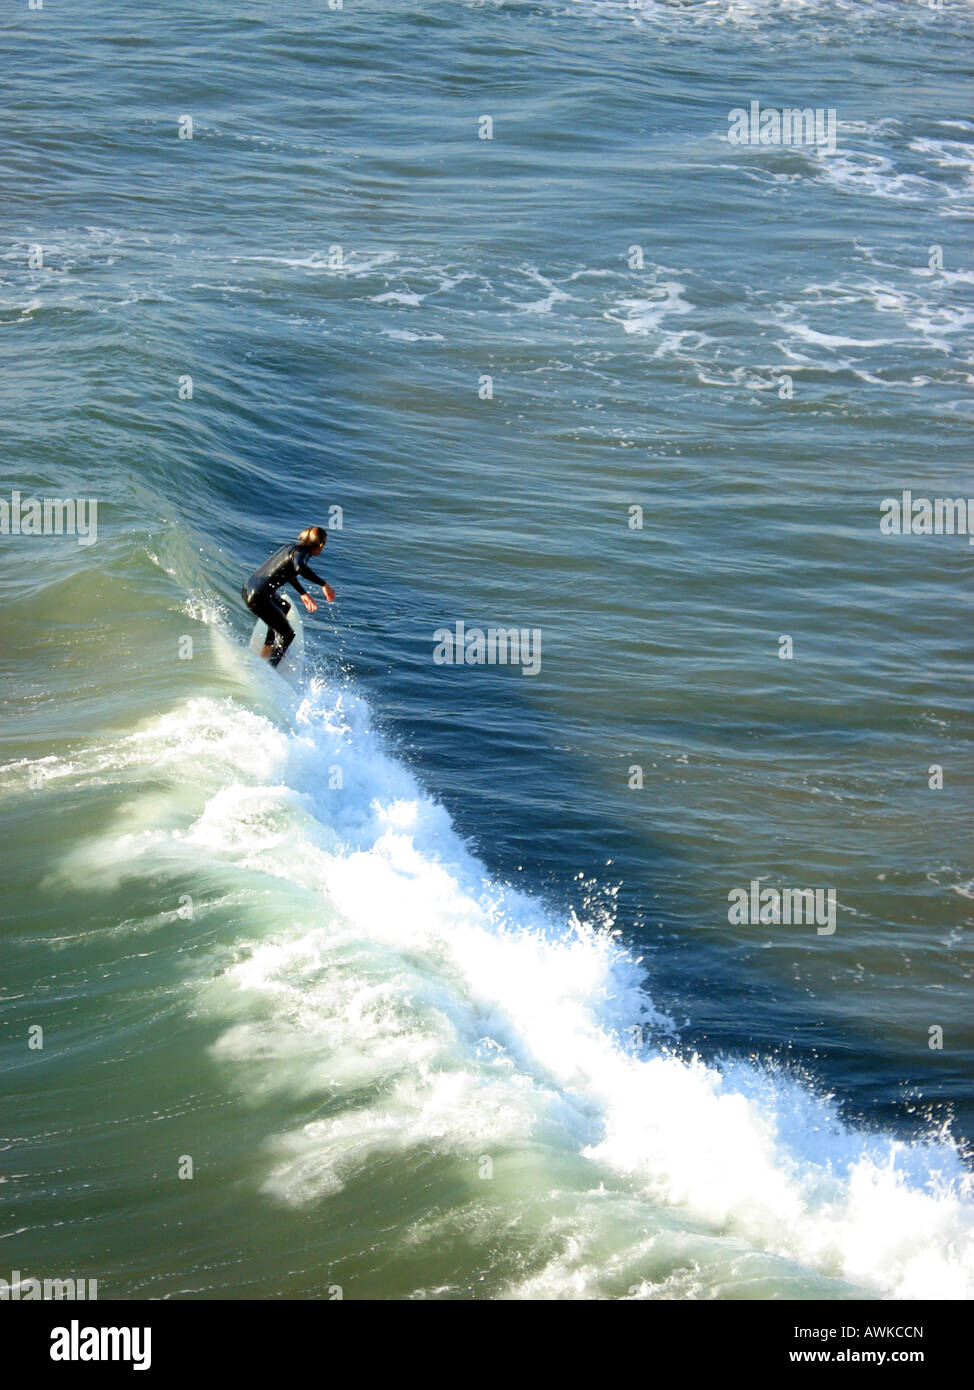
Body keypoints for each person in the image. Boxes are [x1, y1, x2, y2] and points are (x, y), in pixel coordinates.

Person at [242, 525, 335, 667]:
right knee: (288, 634)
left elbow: (289, 573)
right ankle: (270, 669)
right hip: (259, 597)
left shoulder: (292, 547)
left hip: (249, 589)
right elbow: (299, 568)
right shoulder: (302, 554)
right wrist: (323, 584)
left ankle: (268, 647)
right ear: (320, 545)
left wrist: (303, 593)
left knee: (284, 606)